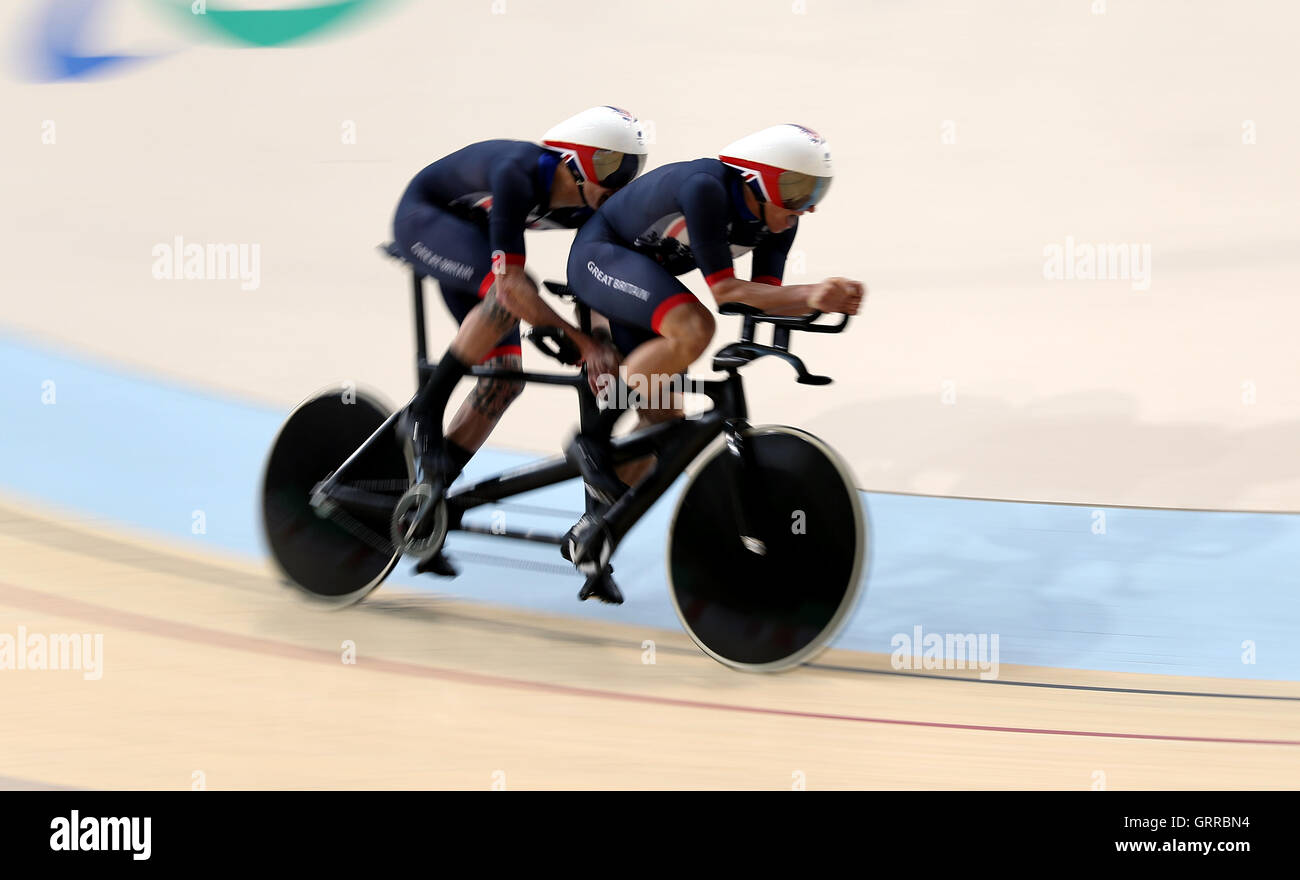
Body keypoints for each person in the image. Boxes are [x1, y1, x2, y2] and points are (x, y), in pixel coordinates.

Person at [562, 123, 864, 561]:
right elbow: (726, 294)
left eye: (815, 192)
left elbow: (761, 300)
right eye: (796, 189)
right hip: (600, 257)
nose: (805, 207)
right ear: (755, 178)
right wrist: (808, 294)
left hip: (644, 285)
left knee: (664, 426)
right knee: (696, 326)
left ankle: (595, 529)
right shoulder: (707, 188)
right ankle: (591, 440)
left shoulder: (780, 222)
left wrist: (830, 299)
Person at [390, 106, 647, 508]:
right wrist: (583, 343)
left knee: (504, 383)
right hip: (424, 221)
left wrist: (599, 341)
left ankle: (427, 501)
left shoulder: (590, 206)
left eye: (632, 168)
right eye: (610, 164)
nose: (621, 181)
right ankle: (423, 412)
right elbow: (510, 288)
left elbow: (596, 281)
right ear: (574, 158)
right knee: (511, 295)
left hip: (472, 241)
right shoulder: (518, 172)